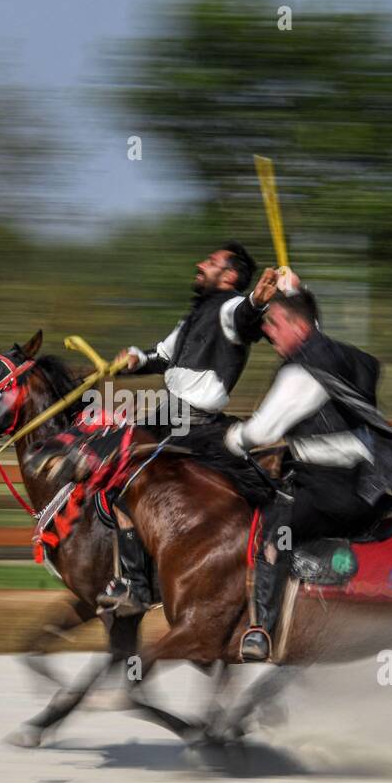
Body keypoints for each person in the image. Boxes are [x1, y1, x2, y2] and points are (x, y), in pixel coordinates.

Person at [224, 279, 392, 662]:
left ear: (299, 327)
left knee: (270, 539)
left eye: (273, 323)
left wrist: (232, 438)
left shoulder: (302, 373)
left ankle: (261, 632)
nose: (266, 331)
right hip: (367, 485)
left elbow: (262, 431)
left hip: (331, 492)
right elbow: (312, 331)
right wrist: (298, 294)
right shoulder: (337, 356)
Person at [97, 241, 275, 619]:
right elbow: (161, 356)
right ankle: (132, 580)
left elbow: (245, 316)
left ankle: (137, 587)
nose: (200, 264)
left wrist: (258, 301)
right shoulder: (194, 316)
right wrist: (134, 360)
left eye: (210, 263)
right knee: (109, 471)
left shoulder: (230, 308)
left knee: (126, 479)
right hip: (166, 417)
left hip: (194, 425)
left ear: (228, 276)